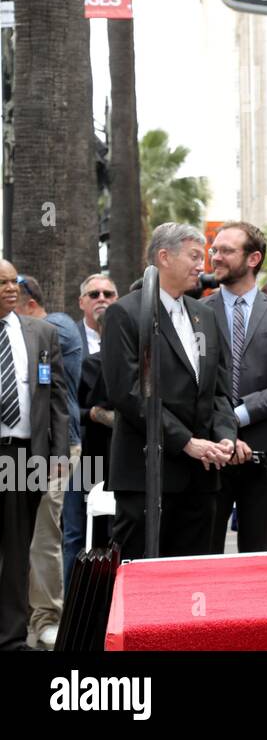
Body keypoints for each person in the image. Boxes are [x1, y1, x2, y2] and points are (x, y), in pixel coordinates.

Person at [102, 224, 240, 559]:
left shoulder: (205, 315)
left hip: (203, 477)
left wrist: (225, 436)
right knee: (142, 575)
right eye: (194, 256)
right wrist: (185, 442)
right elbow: (129, 393)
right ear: (164, 256)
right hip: (147, 474)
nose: (201, 266)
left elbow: (219, 390)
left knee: (193, 576)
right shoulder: (126, 312)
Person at [204, 222, 267, 553]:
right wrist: (223, 431)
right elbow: (195, 385)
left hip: (266, 454)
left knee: (259, 555)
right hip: (211, 453)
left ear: (253, 258)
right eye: (215, 250)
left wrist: (235, 419)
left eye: (226, 250)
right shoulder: (197, 313)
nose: (216, 257)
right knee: (206, 553)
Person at [0, 260, 69, 651]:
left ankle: (10, 639)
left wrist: (58, 454)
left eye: (15, 282)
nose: (12, 289)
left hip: (25, 456)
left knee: (17, 550)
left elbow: (57, 399)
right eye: (2, 283)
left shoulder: (41, 332)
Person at [15, 275, 81, 649]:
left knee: (44, 533)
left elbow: (54, 397)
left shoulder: (55, 328)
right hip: (20, 448)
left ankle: (46, 616)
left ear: (26, 303)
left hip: (55, 447)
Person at [70, 274, 117, 572]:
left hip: (117, 453)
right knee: (76, 532)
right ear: (82, 302)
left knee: (113, 529)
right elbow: (60, 403)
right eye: (94, 293)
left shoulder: (130, 341)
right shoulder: (66, 339)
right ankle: (76, 608)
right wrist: (93, 415)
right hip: (80, 453)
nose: (102, 298)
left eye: (109, 294)